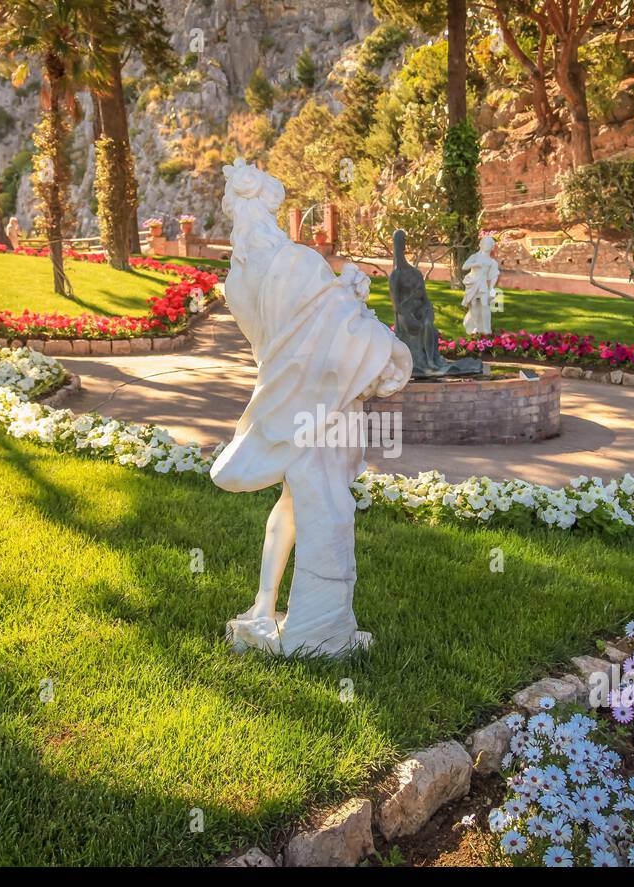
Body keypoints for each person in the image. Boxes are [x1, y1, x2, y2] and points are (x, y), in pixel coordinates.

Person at [211, 160, 412, 656]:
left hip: (283, 399)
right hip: (319, 402)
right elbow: (335, 328)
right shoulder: (296, 262)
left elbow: (292, 333)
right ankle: (319, 629)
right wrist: (360, 307)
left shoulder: (236, 282)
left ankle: (264, 605)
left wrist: (345, 294)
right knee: (322, 504)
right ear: (266, 209)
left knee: (293, 501)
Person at [461, 234, 500, 335]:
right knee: (473, 305)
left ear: (492, 247)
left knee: (484, 304)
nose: (487, 246)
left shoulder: (492, 262)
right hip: (473, 282)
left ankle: (486, 329)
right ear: (481, 245)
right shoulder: (475, 257)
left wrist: (491, 288)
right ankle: (476, 327)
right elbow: (464, 267)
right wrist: (475, 264)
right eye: (485, 243)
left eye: (489, 244)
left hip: (483, 284)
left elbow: (494, 275)